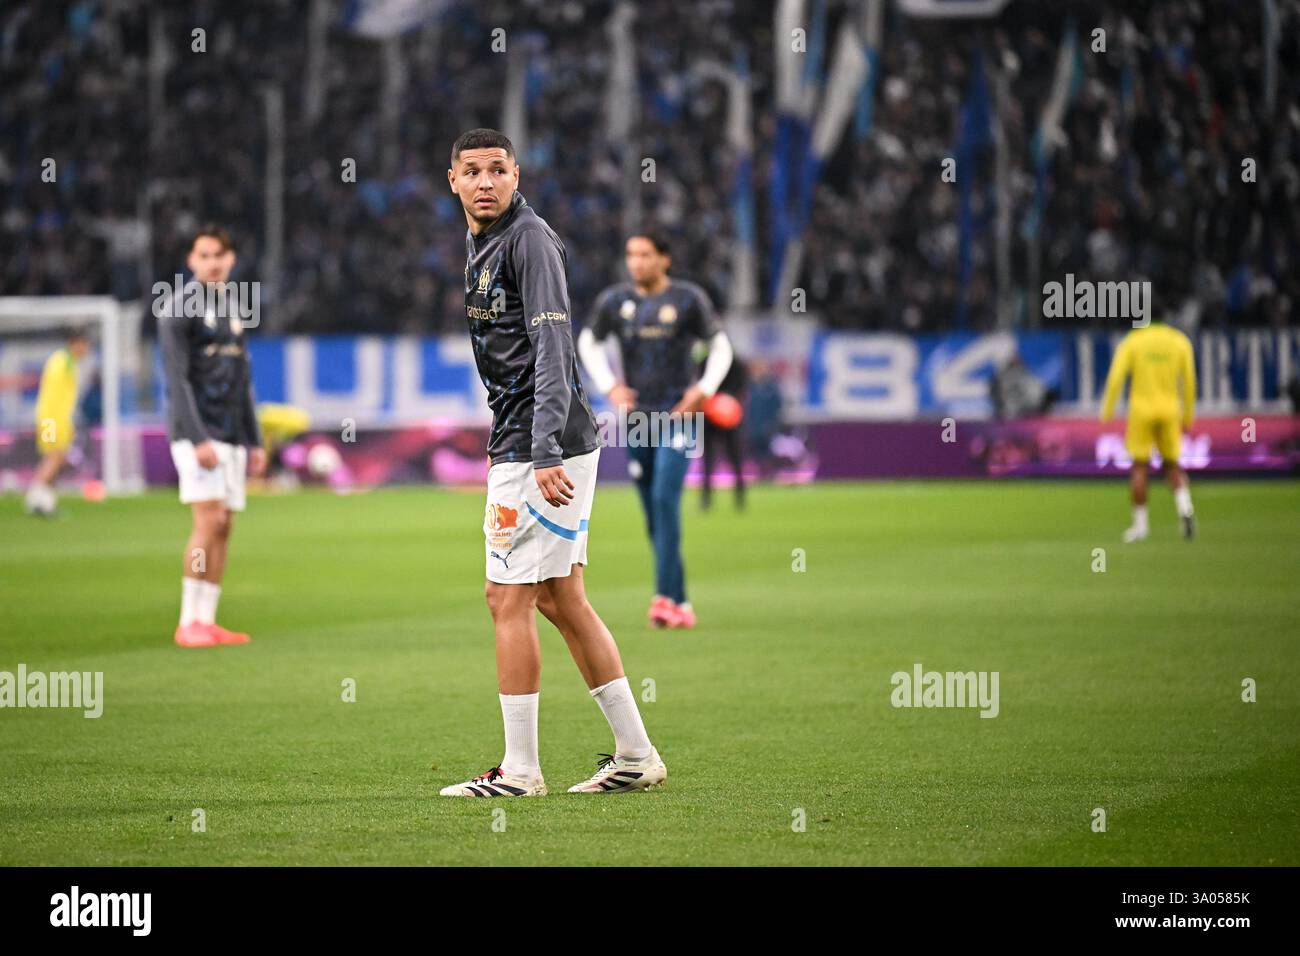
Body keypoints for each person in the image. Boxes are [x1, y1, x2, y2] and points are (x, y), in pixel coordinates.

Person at [439, 128, 665, 798]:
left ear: (516, 175)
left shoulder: (527, 239)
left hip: (537, 442)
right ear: (451, 179)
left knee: (504, 597)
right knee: (561, 599)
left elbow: (551, 342)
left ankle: (521, 771)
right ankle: (635, 755)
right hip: (544, 436)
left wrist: (539, 450)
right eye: (472, 171)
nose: (485, 182)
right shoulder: (486, 240)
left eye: (497, 170)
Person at [578, 232, 734, 628]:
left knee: (665, 496)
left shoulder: (687, 299)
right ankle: (680, 600)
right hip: (637, 420)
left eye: (645, 255)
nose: (636, 263)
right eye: (631, 254)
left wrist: (704, 389)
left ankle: (663, 598)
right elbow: (588, 341)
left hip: (678, 414)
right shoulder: (615, 302)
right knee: (652, 510)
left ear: (665, 259)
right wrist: (609, 385)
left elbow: (720, 346)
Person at [159, 225, 266, 647]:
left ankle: (208, 618)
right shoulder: (177, 308)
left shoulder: (234, 307)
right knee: (207, 522)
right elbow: (177, 379)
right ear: (191, 261)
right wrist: (198, 437)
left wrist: (254, 440)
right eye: (204, 256)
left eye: (219, 255)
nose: (213, 263)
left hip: (231, 435)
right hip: (197, 434)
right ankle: (188, 621)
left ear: (231, 260)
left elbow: (242, 378)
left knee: (224, 525)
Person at [1099, 315, 1198, 542]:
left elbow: (1116, 377)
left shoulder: (1134, 341)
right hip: (1170, 409)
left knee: (1139, 467)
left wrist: (1107, 410)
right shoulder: (1179, 341)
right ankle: (1185, 509)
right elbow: (1189, 380)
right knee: (1172, 465)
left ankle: (1140, 526)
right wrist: (1189, 415)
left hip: (1142, 411)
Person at [24, 328, 91, 517]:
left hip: (55, 419)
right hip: (52, 419)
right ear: (75, 343)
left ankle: (45, 501)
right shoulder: (63, 362)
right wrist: (55, 422)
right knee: (54, 457)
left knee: (57, 458)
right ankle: (35, 498)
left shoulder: (64, 361)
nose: (86, 349)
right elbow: (54, 396)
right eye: (84, 344)